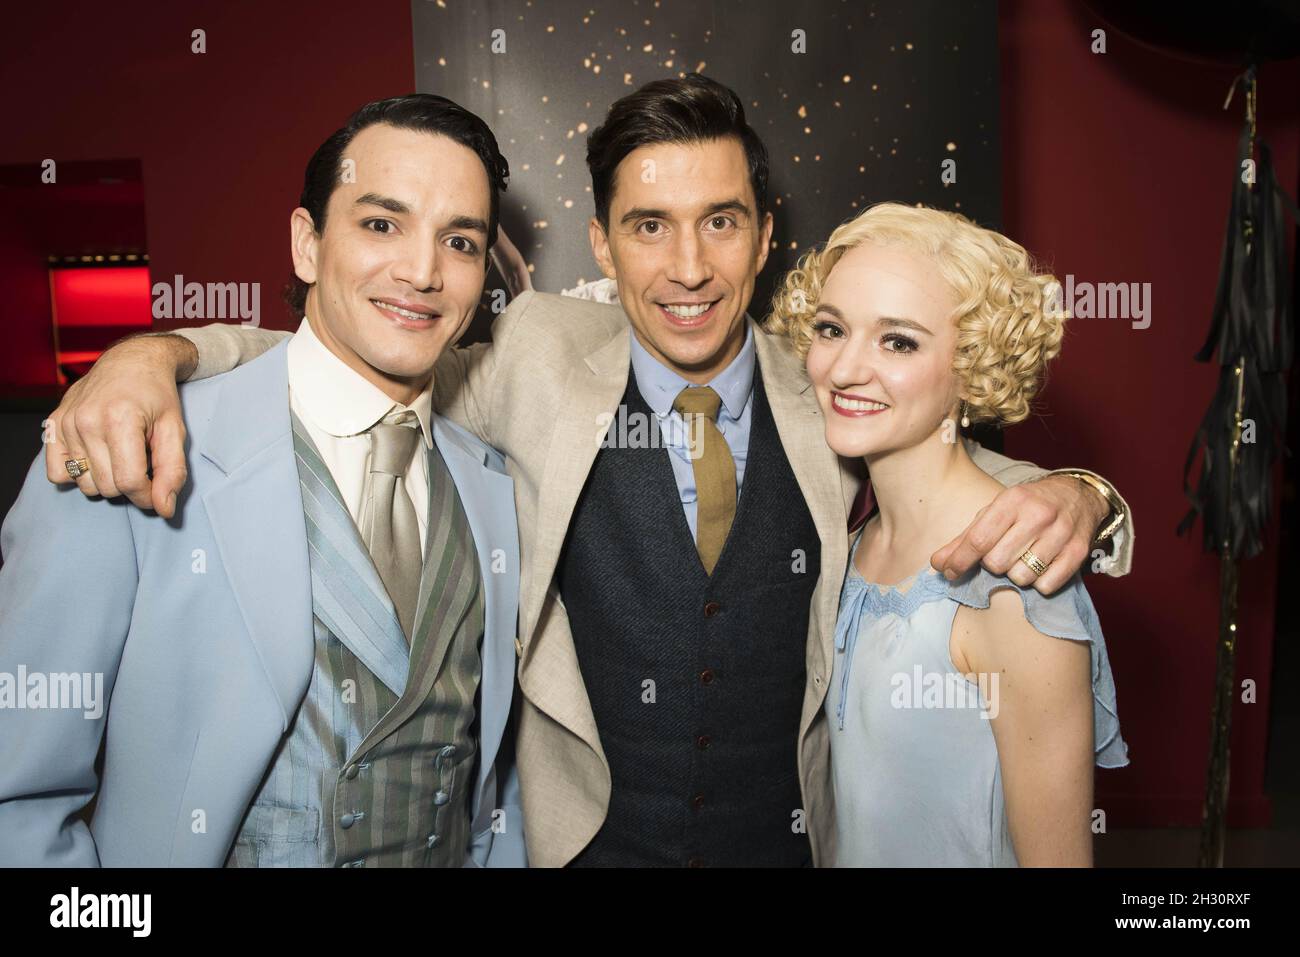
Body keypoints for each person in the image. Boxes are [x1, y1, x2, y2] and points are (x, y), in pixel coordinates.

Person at [38, 75, 1132, 867]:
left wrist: (1087, 496)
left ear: (764, 239)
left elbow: (941, 448)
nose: (689, 266)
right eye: (648, 227)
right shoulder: (527, 359)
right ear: (603, 246)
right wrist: (157, 352)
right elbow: (340, 350)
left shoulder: (825, 383)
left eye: (720, 224)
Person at [0, 94, 526, 867]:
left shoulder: (491, 482)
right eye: (381, 223)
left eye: (459, 241)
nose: (421, 271)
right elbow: (18, 804)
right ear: (307, 244)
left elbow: (490, 792)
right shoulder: (125, 444)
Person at [769, 202, 1128, 866]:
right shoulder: (851, 541)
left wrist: (1087, 494)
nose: (846, 368)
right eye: (831, 328)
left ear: (974, 365)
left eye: (897, 340)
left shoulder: (1015, 584)